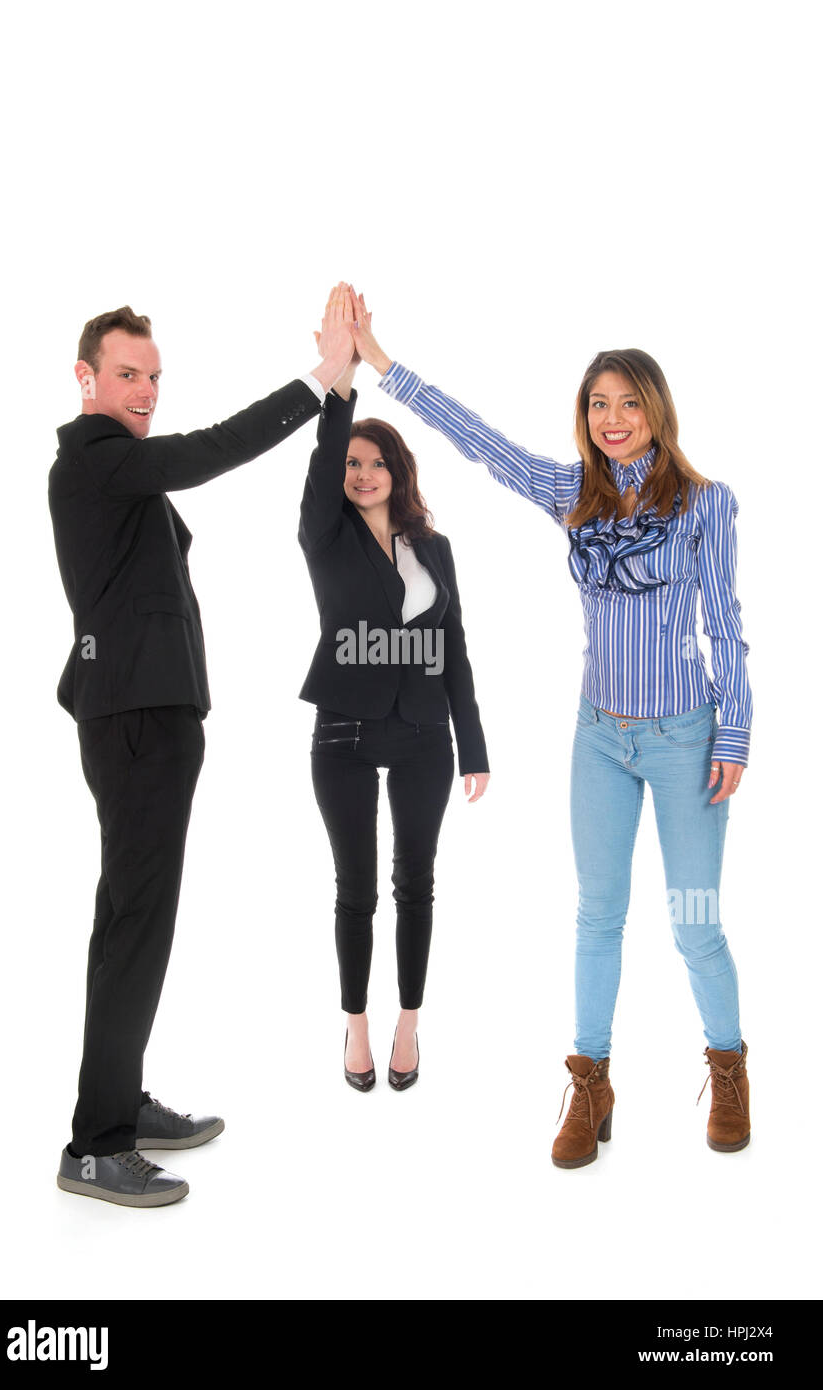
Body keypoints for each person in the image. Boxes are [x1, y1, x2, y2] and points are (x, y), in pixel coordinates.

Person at [349, 293, 752, 1162]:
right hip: (599, 738)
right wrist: (383, 366)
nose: (611, 420)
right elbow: (481, 442)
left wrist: (735, 735)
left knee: (693, 920)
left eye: (628, 403)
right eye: (597, 405)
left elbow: (726, 624)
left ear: (657, 412)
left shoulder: (705, 505)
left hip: (686, 738)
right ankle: (591, 1085)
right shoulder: (572, 492)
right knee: (597, 915)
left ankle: (728, 1067)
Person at [49, 299, 354, 1205]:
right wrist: (317, 383)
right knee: (137, 927)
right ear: (87, 377)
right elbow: (210, 449)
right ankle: (96, 1147)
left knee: (129, 925)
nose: (142, 391)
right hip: (137, 719)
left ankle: (115, 1104)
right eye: (127, 374)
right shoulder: (97, 461)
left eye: (152, 377)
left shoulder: (118, 471)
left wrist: (340, 394)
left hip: (149, 717)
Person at [299, 286, 490, 1091]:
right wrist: (343, 378)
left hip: (422, 735)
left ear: (399, 472)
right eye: (353, 462)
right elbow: (325, 456)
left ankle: (409, 1020)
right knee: (355, 888)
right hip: (343, 730)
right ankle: (355, 1026)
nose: (364, 472)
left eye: (378, 462)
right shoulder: (325, 534)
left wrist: (473, 747)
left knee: (416, 880)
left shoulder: (434, 549)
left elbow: (457, 654)